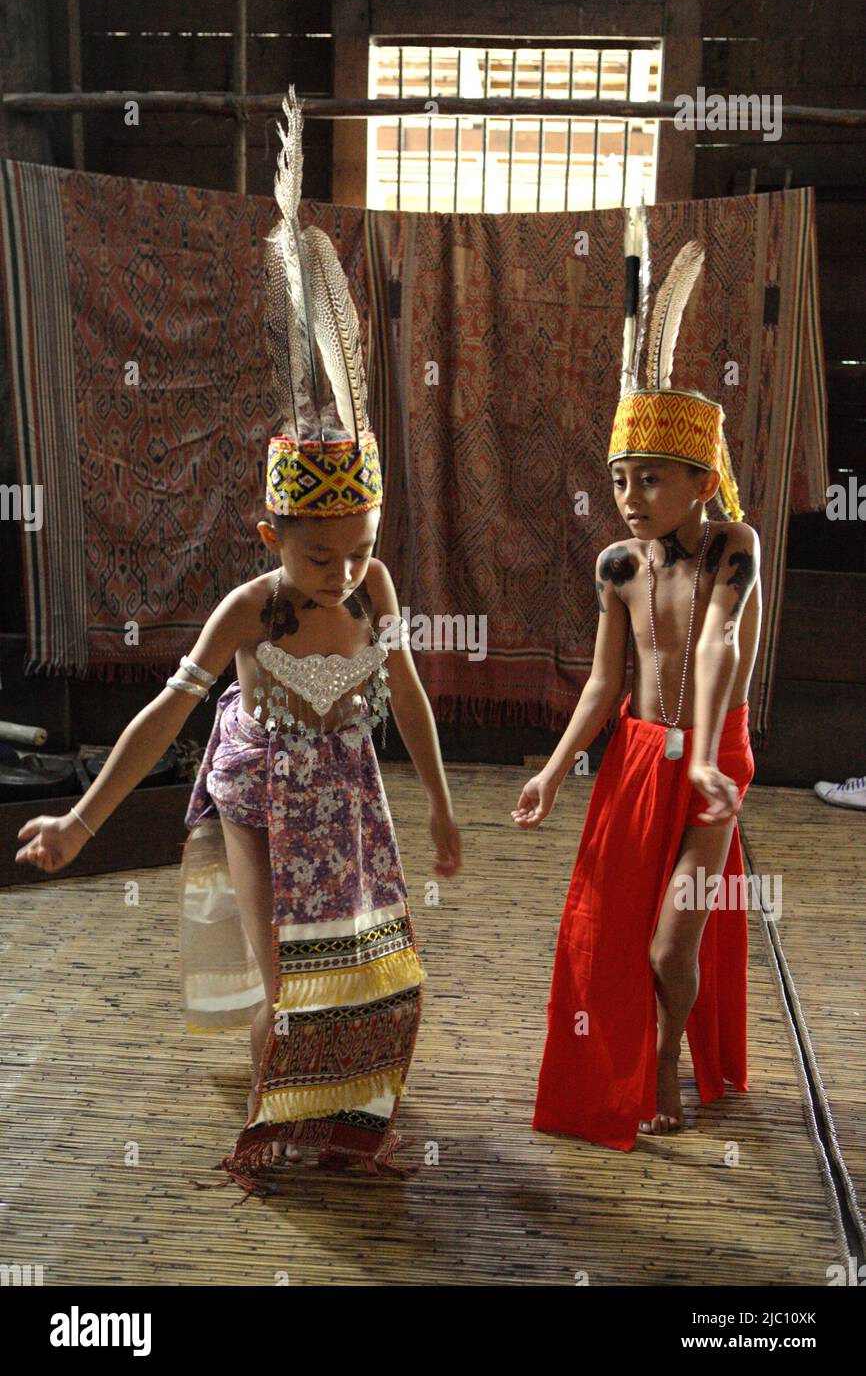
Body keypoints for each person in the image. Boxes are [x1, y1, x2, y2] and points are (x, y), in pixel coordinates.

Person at [15, 88, 462, 1199]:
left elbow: (403, 694)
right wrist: (78, 818)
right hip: (258, 793)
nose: (345, 571)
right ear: (271, 534)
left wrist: (446, 805)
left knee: (381, 981)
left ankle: (354, 1126)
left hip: (347, 793)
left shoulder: (373, 590)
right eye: (321, 555)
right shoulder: (250, 611)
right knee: (290, 981)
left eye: (359, 547)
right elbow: (164, 713)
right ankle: (274, 1141)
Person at [513, 218, 762, 1150]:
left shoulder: (737, 548)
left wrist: (701, 755)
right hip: (634, 761)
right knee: (607, 936)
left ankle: (664, 1064)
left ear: (702, 482)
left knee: (670, 945)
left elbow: (717, 648)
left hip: (714, 763)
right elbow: (605, 688)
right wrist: (553, 766)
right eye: (620, 477)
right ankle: (619, 1063)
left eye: (650, 478)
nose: (629, 495)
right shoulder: (618, 566)